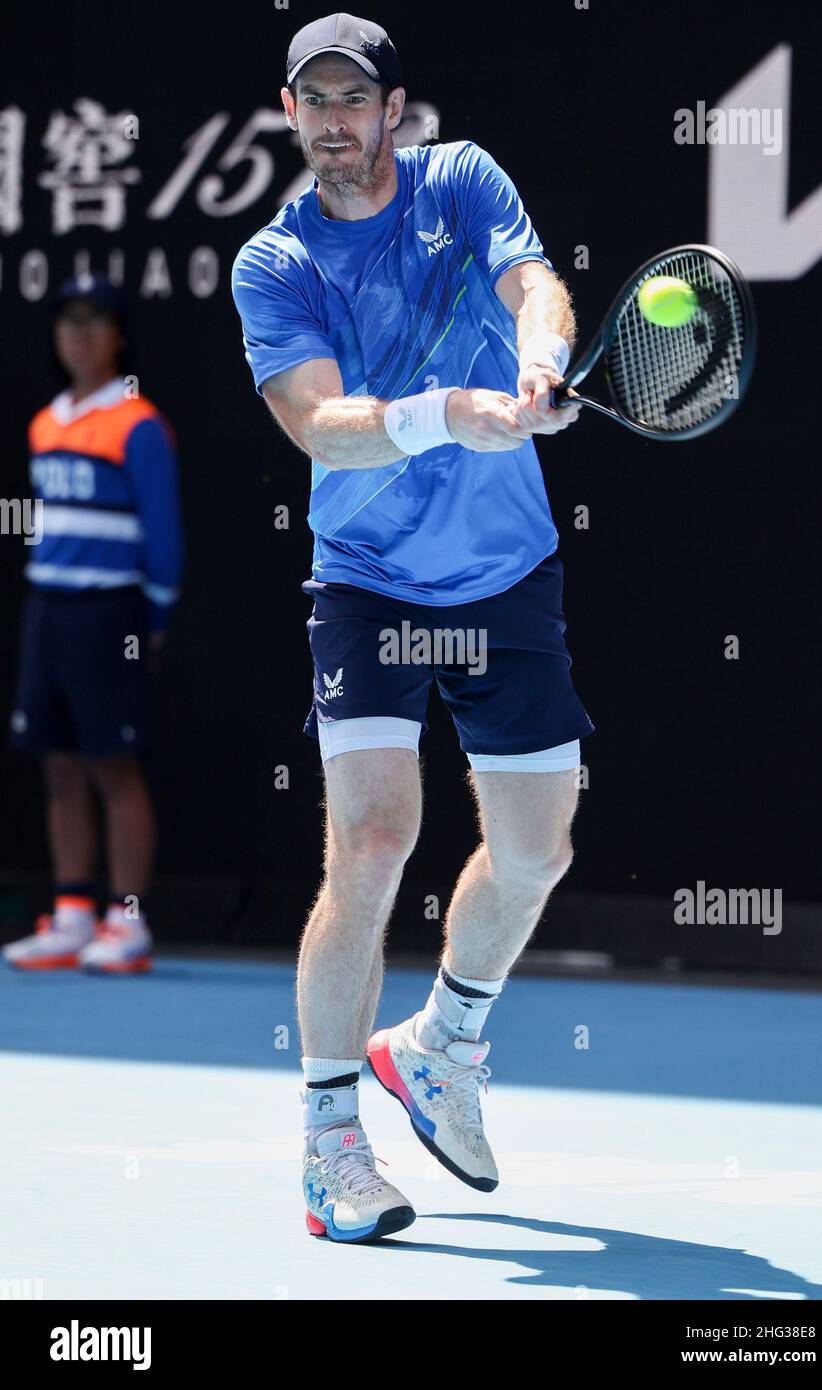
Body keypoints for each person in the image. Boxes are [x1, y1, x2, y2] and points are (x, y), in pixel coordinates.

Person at [232, 14, 592, 1242]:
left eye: (355, 98)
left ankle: (442, 1042)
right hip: (370, 578)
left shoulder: (463, 179)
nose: (334, 119)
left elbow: (533, 283)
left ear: (393, 108)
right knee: (376, 836)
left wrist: (540, 360)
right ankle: (331, 1136)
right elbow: (319, 426)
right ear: (292, 111)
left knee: (537, 851)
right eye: (312, 99)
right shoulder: (272, 266)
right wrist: (450, 411)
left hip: (506, 574)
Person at [4, 272, 183, 975]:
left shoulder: (138, 422)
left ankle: (127, 922)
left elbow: (164, 534)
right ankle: (74, 912)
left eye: (93, 321)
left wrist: (157, 617)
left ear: (116, 336)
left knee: (114, 764)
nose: (78, 335)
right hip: (47, 608)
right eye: (67, 321)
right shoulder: (46, 422)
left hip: (112, 611)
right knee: (58, 764)